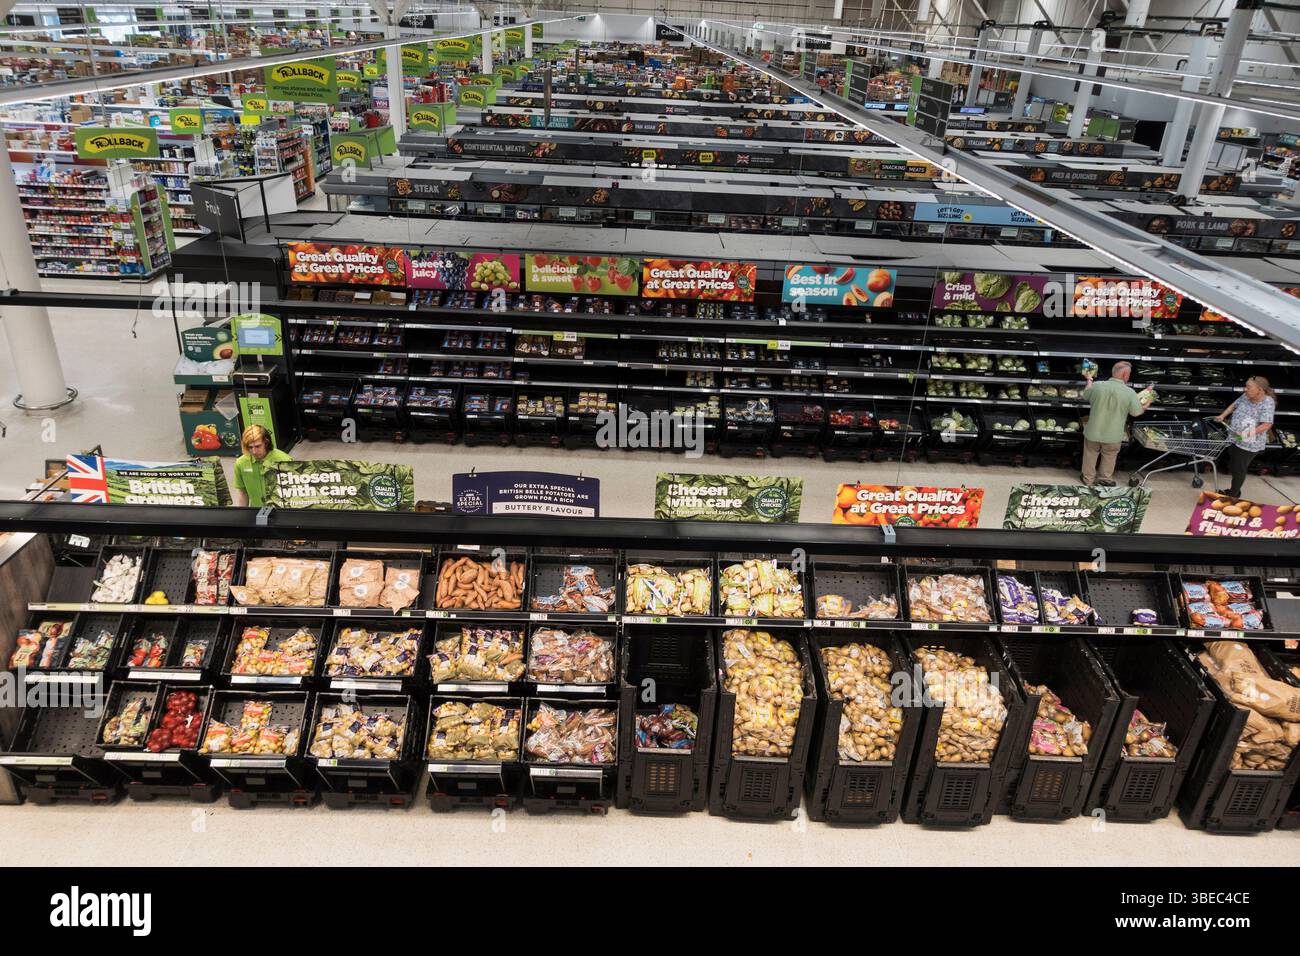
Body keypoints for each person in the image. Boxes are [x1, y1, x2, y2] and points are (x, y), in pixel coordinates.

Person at [1080, 360, 1150, 486]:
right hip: (1113, 434)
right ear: (1125, 375)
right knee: (1109, 456)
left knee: (1090, 454)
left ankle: (1087, 479)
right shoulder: (1130, 393)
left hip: (1093, 431)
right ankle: (1105, 479)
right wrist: (1145, 405)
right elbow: (1136, 412)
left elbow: (1086, 395)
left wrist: (1089, 379)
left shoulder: (1097, 385)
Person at [1214, 375, 1277, 498]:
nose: (1245, 389)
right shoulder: (1247, 395)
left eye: (1248, 387)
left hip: (1249, 441)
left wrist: (1245, 434)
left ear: (1260, 389)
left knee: (1239, 468)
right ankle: (1234, 490)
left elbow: (1266, 425)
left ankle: (1234, 494)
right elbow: (1234, 404)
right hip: (1235, 436)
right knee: (1233, 462)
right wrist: (1223, 415)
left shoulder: (1267, 403)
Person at [232, 424, 291, 508]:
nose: (254, 451)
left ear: (266, 443)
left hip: (281, 511)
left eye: (258, 446)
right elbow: (243, 493)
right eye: (250, 447)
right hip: (255, 512)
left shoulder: (285, 460)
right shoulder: (240, 463)